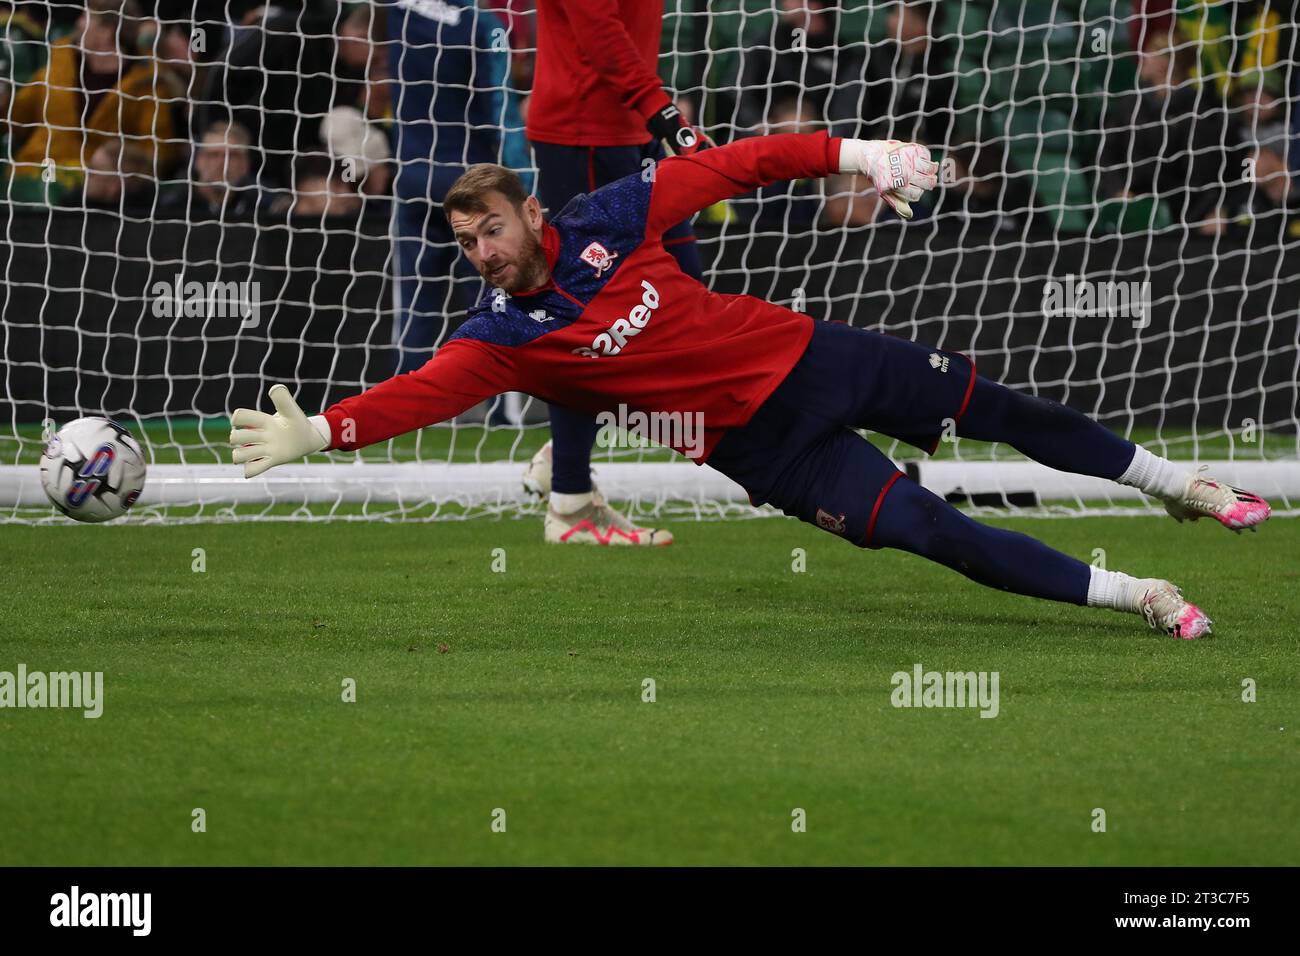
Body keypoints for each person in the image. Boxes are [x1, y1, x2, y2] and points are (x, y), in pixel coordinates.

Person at [227, 132, 1272, 636]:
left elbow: (734, 167)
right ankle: (1137, 594)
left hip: (813, 354)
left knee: (999, 407)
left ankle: (1178, 483)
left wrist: (856, 152)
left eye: (490, 230)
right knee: (929, 530)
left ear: (534, 217)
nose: (480, 253)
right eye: (463, 242)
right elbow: (424, 391)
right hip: (771, 452)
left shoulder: (614, 216)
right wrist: (323, 431)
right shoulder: (504, 337)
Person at [522, 0, 711, 546]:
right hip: (584, 133)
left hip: (627, 129)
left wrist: (656, 117)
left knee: (681, 294)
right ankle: (570, 499)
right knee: (589, 312)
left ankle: (563, 456)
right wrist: (666, 114)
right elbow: (597, 29)